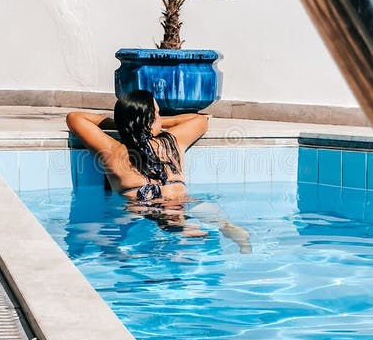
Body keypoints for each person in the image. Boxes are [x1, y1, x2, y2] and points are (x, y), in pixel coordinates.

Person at [65, 90, 252, 251]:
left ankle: (173, 228)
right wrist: (163, 124)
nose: (160, 119)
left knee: (120, 239)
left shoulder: (114, 153)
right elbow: (200, 120)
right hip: (185, 204)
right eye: (157, 114)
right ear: (149, 120)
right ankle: (225, 227)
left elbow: (74, 118)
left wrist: (125, 124)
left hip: (140, 215)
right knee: (219, 220)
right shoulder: (172, 142)